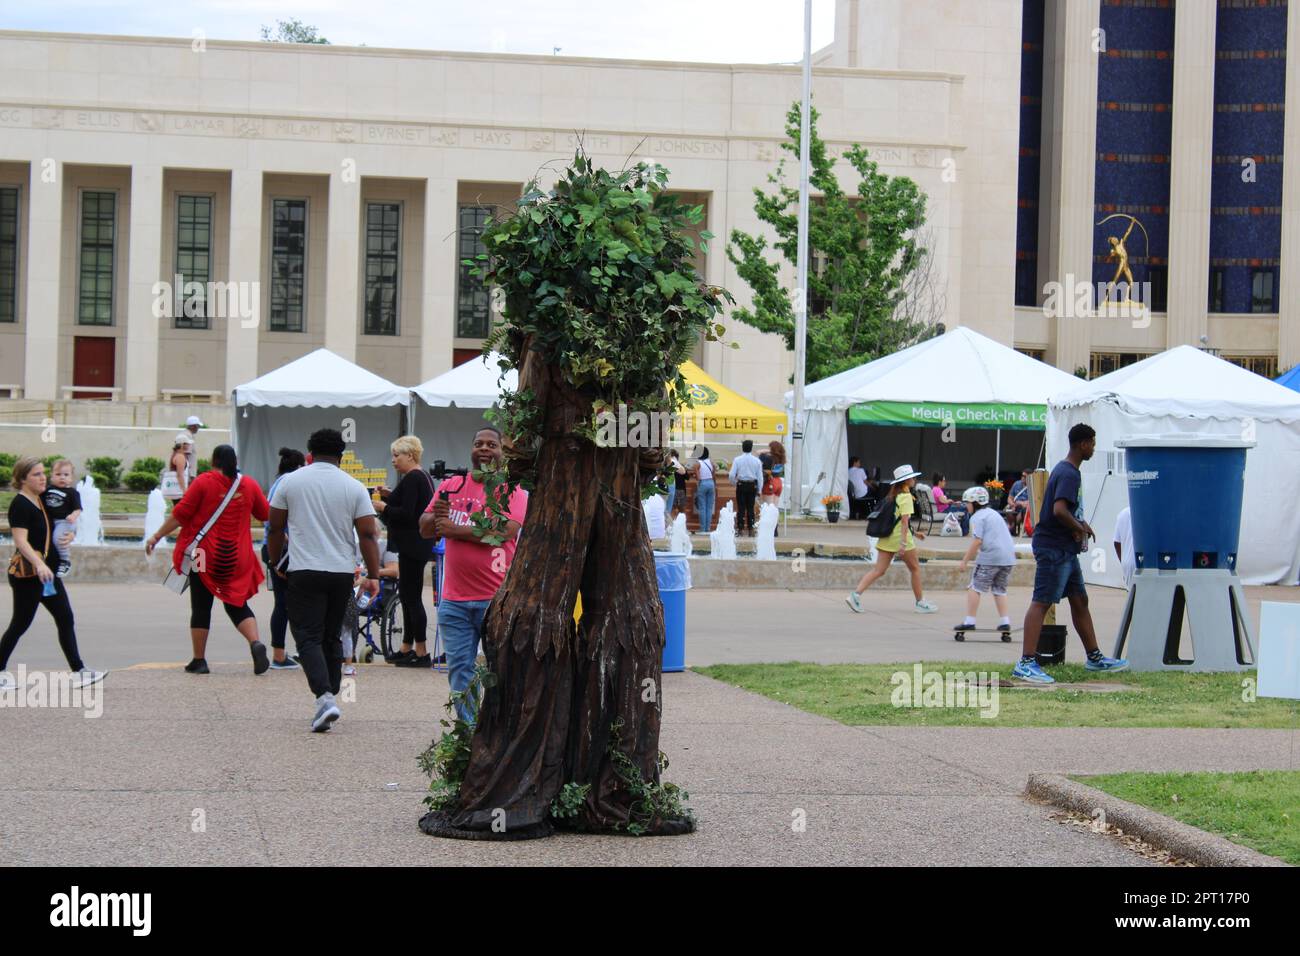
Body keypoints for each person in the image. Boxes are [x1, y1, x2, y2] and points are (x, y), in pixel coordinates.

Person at [266, 428, 381, 733]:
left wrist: (275, 561)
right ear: (341, 456)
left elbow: (274, 528)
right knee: (331, 636)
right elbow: (369, 534)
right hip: (342, 573)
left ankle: (324, 697)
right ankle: (329, 697)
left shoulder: (290, 482)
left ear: (310, 453)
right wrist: (373, 574)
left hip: (303, 570)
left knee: (307, 636)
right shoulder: (354, 486)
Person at [419, 426, 528, 724]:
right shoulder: (452, 485)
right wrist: (434, 514)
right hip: (453, 600)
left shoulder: (512, 490)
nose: (484, 448)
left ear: (502, 453)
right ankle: (470, 733)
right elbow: (426, 528)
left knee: (501, 668)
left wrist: (453, 530)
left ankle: (500, 729)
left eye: (492, 444)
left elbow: (502, 532)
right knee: (460, 668)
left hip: (497, 599)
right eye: (479, 443)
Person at [1014, 423, 1128, 684]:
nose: (1094, 448)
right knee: (1042, 602)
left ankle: (1094, 658)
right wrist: (1079, 529)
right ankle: (1026, 663)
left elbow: (1067, 510)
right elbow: (1058, 511)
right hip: (1054, 548)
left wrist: (1081, 524)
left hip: (1065, 549)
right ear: (1082, 444)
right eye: (1093, 443)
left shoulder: (1067, 470)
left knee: (1079, 601)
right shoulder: (1069, 473)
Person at [146, 444, 271, 676]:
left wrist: (156, 536)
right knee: (236, 603)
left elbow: (181, 514)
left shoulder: (204, 482)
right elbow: (266, 514)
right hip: (236, 558)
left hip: (203, 555)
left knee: (201, 606)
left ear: (214, 461)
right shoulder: (249, 485)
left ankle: (199, 660)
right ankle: (255, 643)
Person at [0, 458, 105, 692]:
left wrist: (70, 534)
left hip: (47, 575)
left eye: (42, 473)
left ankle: (79, 671)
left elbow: (59, 524)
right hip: (30, 575)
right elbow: (20, 541)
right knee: (20, 624)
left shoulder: (41, 500)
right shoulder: (21, 504)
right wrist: (39, 564)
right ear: (23, 479)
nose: (42, 477)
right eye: (36, 474)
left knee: (65, 618)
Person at [374, 435, 437, 667]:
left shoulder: (413, 478)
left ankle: (420, 652)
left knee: (411, 598)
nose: (393, 460)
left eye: (396, 455)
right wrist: (391, 496)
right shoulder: (421, 477)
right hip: (417, 544)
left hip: (412, 544)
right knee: (409, 596)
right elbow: (416, 505)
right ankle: (406, 646)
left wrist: (384, 507)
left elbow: (408, 513)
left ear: (410, 455)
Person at [845, 464, 938, 614]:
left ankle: (855, 595)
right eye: (912, 477)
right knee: (915, 569)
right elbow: (904, 521)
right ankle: (920, 602)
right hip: (901, 540)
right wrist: (903, 543)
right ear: (906, 481)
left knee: (878, 570)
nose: (914, 479)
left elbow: (898, 519)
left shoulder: (893, 495)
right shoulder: (907, 497)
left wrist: (915, 533)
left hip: (887, 537)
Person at [263, 447, 305, 669]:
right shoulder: (290, 482)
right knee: (288, 604)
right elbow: (274, 523)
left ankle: (283, 653)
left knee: (285, 603)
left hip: (275, 548)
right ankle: (280, 655)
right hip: (282, 550)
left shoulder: (278, 482)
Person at [956, 486, 1015, 631]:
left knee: (974, 587)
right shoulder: (994, 514)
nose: (966, 506)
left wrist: (964, 561)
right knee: (999, 589)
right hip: (1008, 558)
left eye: (967, 503)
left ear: (975, 503)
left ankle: (969, 621)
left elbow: (977, 541)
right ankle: (1004, 622)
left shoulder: (977, 517)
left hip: (990, 557)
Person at [341, 542, 400, 677]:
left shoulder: (386, 547)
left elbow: (394, 570)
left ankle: (348, 655)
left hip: (377, 592)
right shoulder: (354, 545)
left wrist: (370, 573)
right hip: (355, 587)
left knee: (350, 608)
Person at [42, 459, 82, 577]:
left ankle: (65, 560)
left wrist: (73, 516)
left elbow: (78, 509)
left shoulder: (72, 493)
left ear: (71, 477)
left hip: (64, 521)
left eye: (66, 475)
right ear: (51, 476)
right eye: (58, 474)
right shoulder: (48, 490)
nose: (62, 477)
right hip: (52, 521)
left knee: (58, 539)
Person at [729, 439, 764, 537]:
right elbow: (760, 477)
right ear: (751, 448)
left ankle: (740, 529)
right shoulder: (757, 461)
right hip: (752, 485)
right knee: (750, 508)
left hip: (741, 485)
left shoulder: (737, 459)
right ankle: (751, 529)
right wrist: (759, 490)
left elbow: (731, 475)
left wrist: (735, 483)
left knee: (741, 507)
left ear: (742, 447)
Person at [693, 447, 716, 534]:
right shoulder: (711, 462)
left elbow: (698, 477)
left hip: (702, 483)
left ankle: (702, 529)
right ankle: (708, 528)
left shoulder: (697, 464)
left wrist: (697, 480)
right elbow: (714, 474)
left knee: (702, 507)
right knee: (709, 508)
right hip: (711, 483)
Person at [1113, 505, 1136, 588]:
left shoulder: (1122, 513)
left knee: (1131, 596)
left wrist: (1123, 561)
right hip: (1143, 564)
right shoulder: (1149, 511)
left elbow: (1116, 542)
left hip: (1128, 564)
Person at [161, 438, 190, 502]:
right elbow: (179, 474)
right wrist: (184, 490)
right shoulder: (180, 456)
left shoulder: (175, 454)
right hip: (179, 490)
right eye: (187, 444)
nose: (189, 445)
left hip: (175, 489)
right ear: (182, 444)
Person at [760, 441, 786, 507]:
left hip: (770, 482)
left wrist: (767, 451)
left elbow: (758, 452)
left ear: (772, 449)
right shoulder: (782, 458)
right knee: (774, 507)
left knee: (767, 507)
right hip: (778, 482)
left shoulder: (767, 458)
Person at [1008, 469, 1032, 534]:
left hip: (1025, 508)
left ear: (1030, 477)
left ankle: (1012, 528)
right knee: (1009, 511)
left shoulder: (1032, 486)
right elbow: (1010, 498)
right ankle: (1012, 527)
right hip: (1015, 506)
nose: (1023, 477)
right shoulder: (1016, 484)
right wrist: (1012, 505)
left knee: (1023, 511)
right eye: (1022, 475)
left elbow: (1032, 501)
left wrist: (1020, 503)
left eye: (1025, 476)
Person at [847, 456, 869, 521]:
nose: (860, 464)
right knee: (875, 492)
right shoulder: (861, 470)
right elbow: (866, 482)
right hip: (862, 493)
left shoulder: (847, 471)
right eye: (859, 462)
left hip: (853, 494)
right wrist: (873, 486)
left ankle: (857, 513)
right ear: (855, 462)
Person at [666, 449, 687, 518]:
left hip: (661, 486)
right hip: (674, 487)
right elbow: (683, 472)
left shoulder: (659, 461)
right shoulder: (673, 461)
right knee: (669, 509)